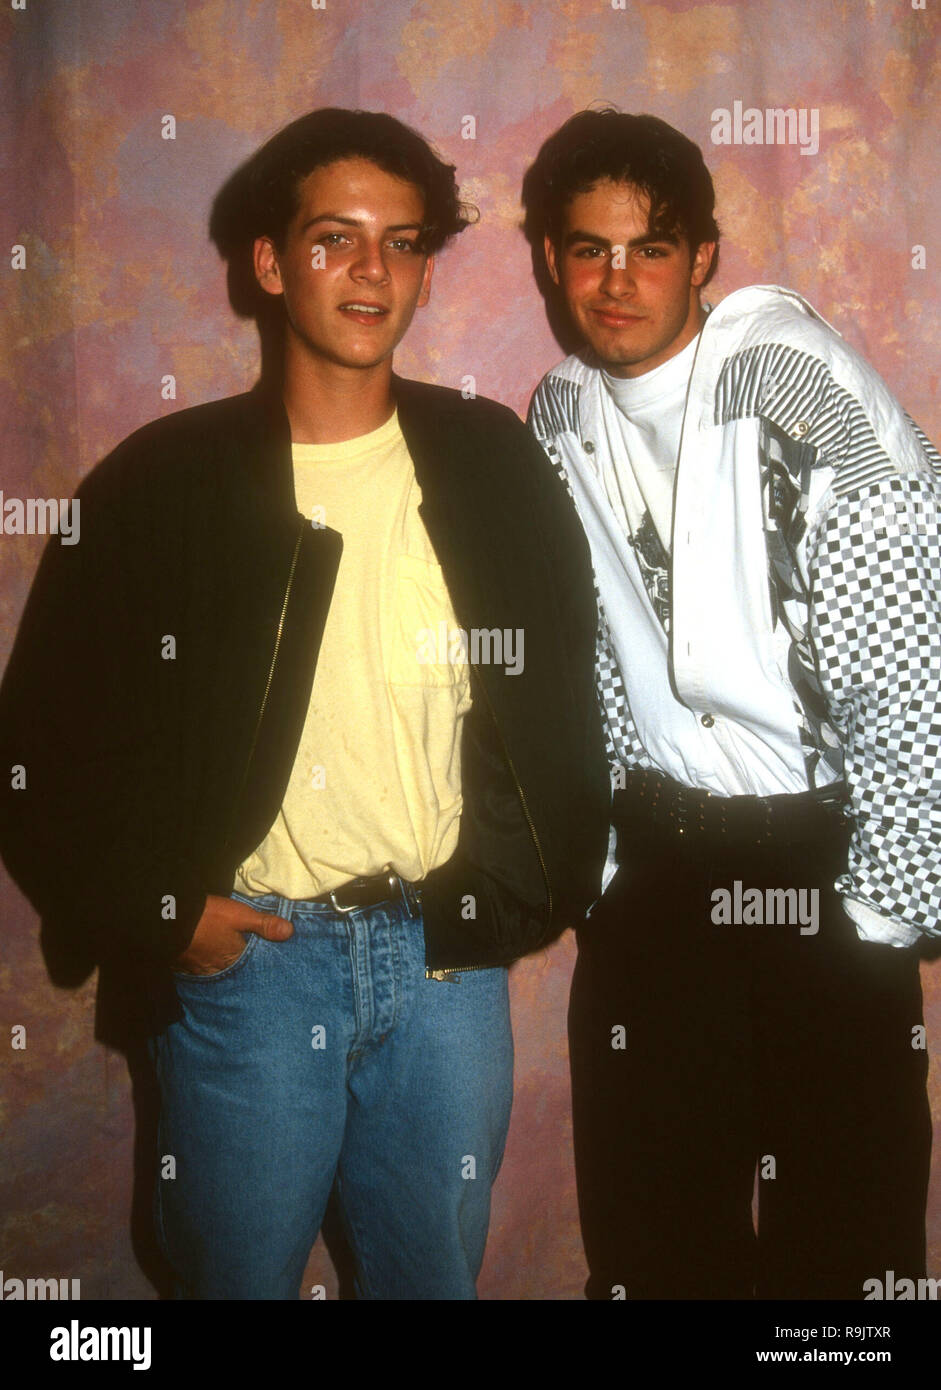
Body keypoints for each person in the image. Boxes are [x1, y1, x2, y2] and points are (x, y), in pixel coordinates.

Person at [0, 108, 609, 1300]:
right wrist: (167, 908)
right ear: (270, 263)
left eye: (402, 240)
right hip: (254, 972)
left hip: (445, 975)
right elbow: (38, 743)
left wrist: (522, 882)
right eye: (334, 238)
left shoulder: (490, 463)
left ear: (427, 267)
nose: (371, 269)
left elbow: (559, 696)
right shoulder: (160, 484)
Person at [522, 108, 940, 1300]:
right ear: (548, 256)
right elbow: (590, 656)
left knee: (843, 1248)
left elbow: (906, 658)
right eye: (586, 248)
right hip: (656, 879)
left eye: (649, 248)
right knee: (655, 1242)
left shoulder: (793, 380)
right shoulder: (557, 417)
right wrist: (604, 864)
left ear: (703, 254)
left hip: (819, 873)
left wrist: (877, 916)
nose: (615, 281)